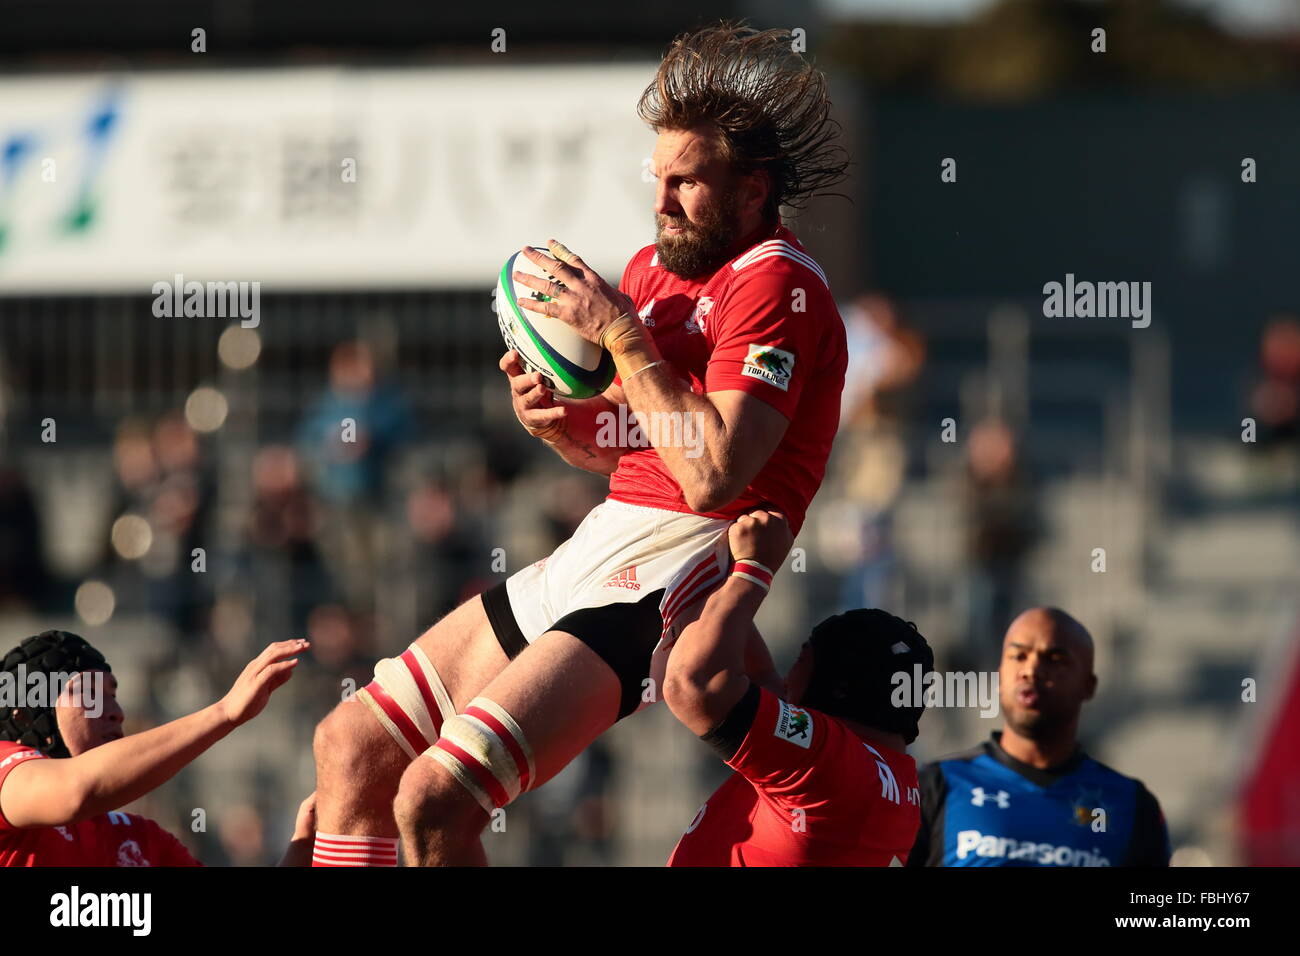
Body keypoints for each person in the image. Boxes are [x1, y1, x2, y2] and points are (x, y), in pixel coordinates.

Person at [312, 22, 852, 866]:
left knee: (434, 798)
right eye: (658, 180)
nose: (662, 202)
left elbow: (713, 474)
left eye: (687, 184)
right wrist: (559, 423)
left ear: (754, 191)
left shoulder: (778, 283)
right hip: (596, 547)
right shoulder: (651, 269)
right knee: (351, 748)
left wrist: (623, 336)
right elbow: (630, 441)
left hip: (672, 576)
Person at [664, 509, 932, 866]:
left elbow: (694, 685)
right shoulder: (897, 777)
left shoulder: (829, 760)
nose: (788, 674)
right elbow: (761, 681)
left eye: (804, 656)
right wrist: (720, 579)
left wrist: (754, 572)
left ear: (838, 685)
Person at [0, 629, 315, 866]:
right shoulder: (4, 768)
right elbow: (76, 792)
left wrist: (300, 851)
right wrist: (223, 713)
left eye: (113, 695)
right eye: (90, 695)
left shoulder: (138, 841)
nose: (116, 711)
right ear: (27, 715)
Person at [907, 608, 1171, 867]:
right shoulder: (935, 786)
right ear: (999, 675)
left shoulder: (1131, 805)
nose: (1031, 670)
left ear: (1088, 685)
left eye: (1054, 659)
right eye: (1018, 656)